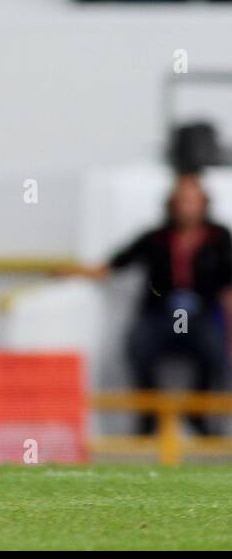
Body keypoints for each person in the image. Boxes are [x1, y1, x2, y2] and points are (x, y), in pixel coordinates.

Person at [78, 175, 231, 435]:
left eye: (192, 201)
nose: (187, 207)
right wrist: (74, 272)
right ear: (172, 204)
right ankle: (148, 417)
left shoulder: (219, 237)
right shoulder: (156, 238)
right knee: (138, 345)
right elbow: (114, 265)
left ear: (204, 204)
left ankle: (199, 416)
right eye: (182, 201)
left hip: (201, 317)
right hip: (160, 316)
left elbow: (228, 286)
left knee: (215, 353)